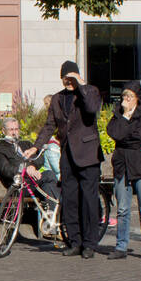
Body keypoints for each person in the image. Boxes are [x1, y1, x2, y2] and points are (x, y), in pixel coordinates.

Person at [31, 60, 104, 257]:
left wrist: (81, 84)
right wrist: (36, 147)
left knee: (89, 200)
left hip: (88, 155)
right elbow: (49, 126)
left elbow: (91, 109)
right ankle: (74, 241)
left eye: (72, 77)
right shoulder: (56, 99)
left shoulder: (90, 92)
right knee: (69, 199)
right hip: (68, 156)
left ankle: (90, 243)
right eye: (65, 78)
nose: (68, 81)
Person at [105, 82, 141, 260]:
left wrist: (124, 135)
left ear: (137, 98)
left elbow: (140, 138)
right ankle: (121, 246)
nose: (125, 100)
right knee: (122, 210)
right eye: (124, 96)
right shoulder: (118, 114)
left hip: (140, 166)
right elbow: (113, 132)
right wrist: (124, 118)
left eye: (129, 96)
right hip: (121, 166)